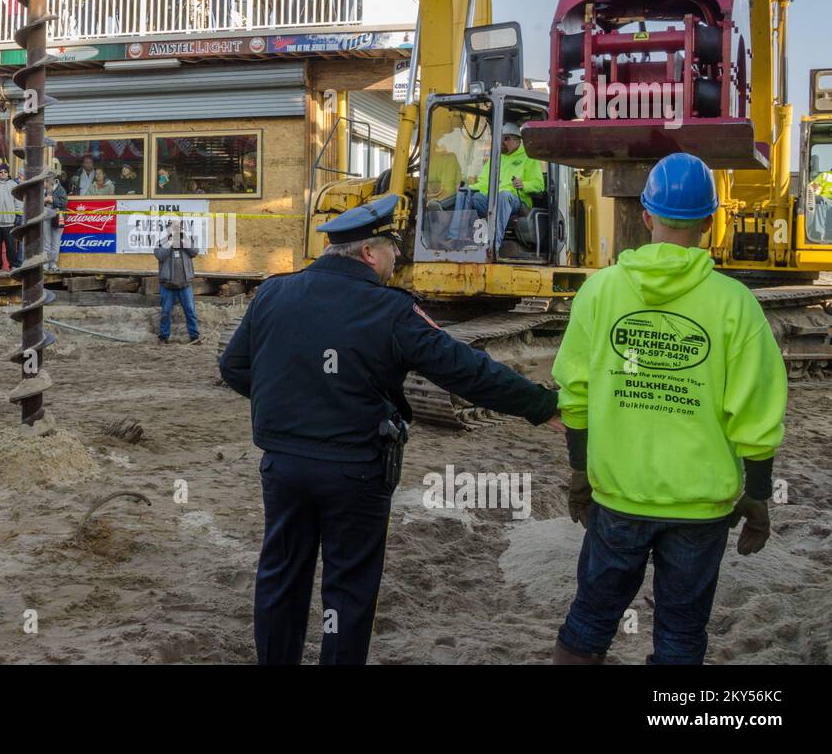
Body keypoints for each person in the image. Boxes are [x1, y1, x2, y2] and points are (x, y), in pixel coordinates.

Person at [219, 194, 562, 665]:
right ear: (368, 253)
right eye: (391, 248)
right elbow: (466, 370)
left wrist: (290, 406)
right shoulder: (392, 310)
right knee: (349, 587)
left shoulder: (275, 292)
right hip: (355, 469)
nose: (397, 256)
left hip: (284, 465)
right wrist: (540, 404)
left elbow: (235, 367)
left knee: (281, 574)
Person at [550, 153, 786, 665]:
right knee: (680, 636)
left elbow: (575, 393)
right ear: (709, 220)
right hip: (700, 509)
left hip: (618, 497)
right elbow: (757, 411)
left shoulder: (600, 291)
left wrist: (578, 473)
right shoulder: (735, 303)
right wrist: (759, 495)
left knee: (589, 622)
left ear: (647, 216)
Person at [449, 122, 544, 252]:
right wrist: (470, 188)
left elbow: (539, 185)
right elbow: (484, 182)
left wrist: (524, 184)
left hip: (517, 200)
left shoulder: (529, 157)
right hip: (492, 198)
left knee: (503, 195)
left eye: (506, 139)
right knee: (465, 193)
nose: (502, 142)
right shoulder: (496, 157)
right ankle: (455, 239)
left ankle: (493, 244)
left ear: (517, 140)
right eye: (501, 138)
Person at [154, 220, 201, 345]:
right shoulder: (162, 242)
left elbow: (194, 252)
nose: (175, 230)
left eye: (178, 227)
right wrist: (170, 241)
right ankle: (164, 337)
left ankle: (194, 337)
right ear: (168, 229)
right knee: (165, 312)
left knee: (190, 311)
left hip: (185, 284)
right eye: (172, 228)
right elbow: (160, 255)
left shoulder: (187, 240)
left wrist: (182, 239)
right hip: (167, 285)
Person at [0, 163, 21, 272]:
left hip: (9, 221)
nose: (3, 174)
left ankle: (13, 264)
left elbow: (18, 201)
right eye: (1, 172)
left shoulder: (13, 185)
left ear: (8, 173)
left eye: (5, 172)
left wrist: (18, 214)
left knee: (11, 246)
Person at [43, 162, 68, 273]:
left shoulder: (60, 189)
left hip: (58, 217)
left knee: (55, 243)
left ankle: (53, 264)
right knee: (46, 243)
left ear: (50, 181)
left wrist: (52, 200)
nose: (43, 183)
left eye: (44, 180)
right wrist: (42, 201)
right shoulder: (41, 191)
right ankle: (44, 265)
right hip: (45, 218)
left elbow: (64, 203)